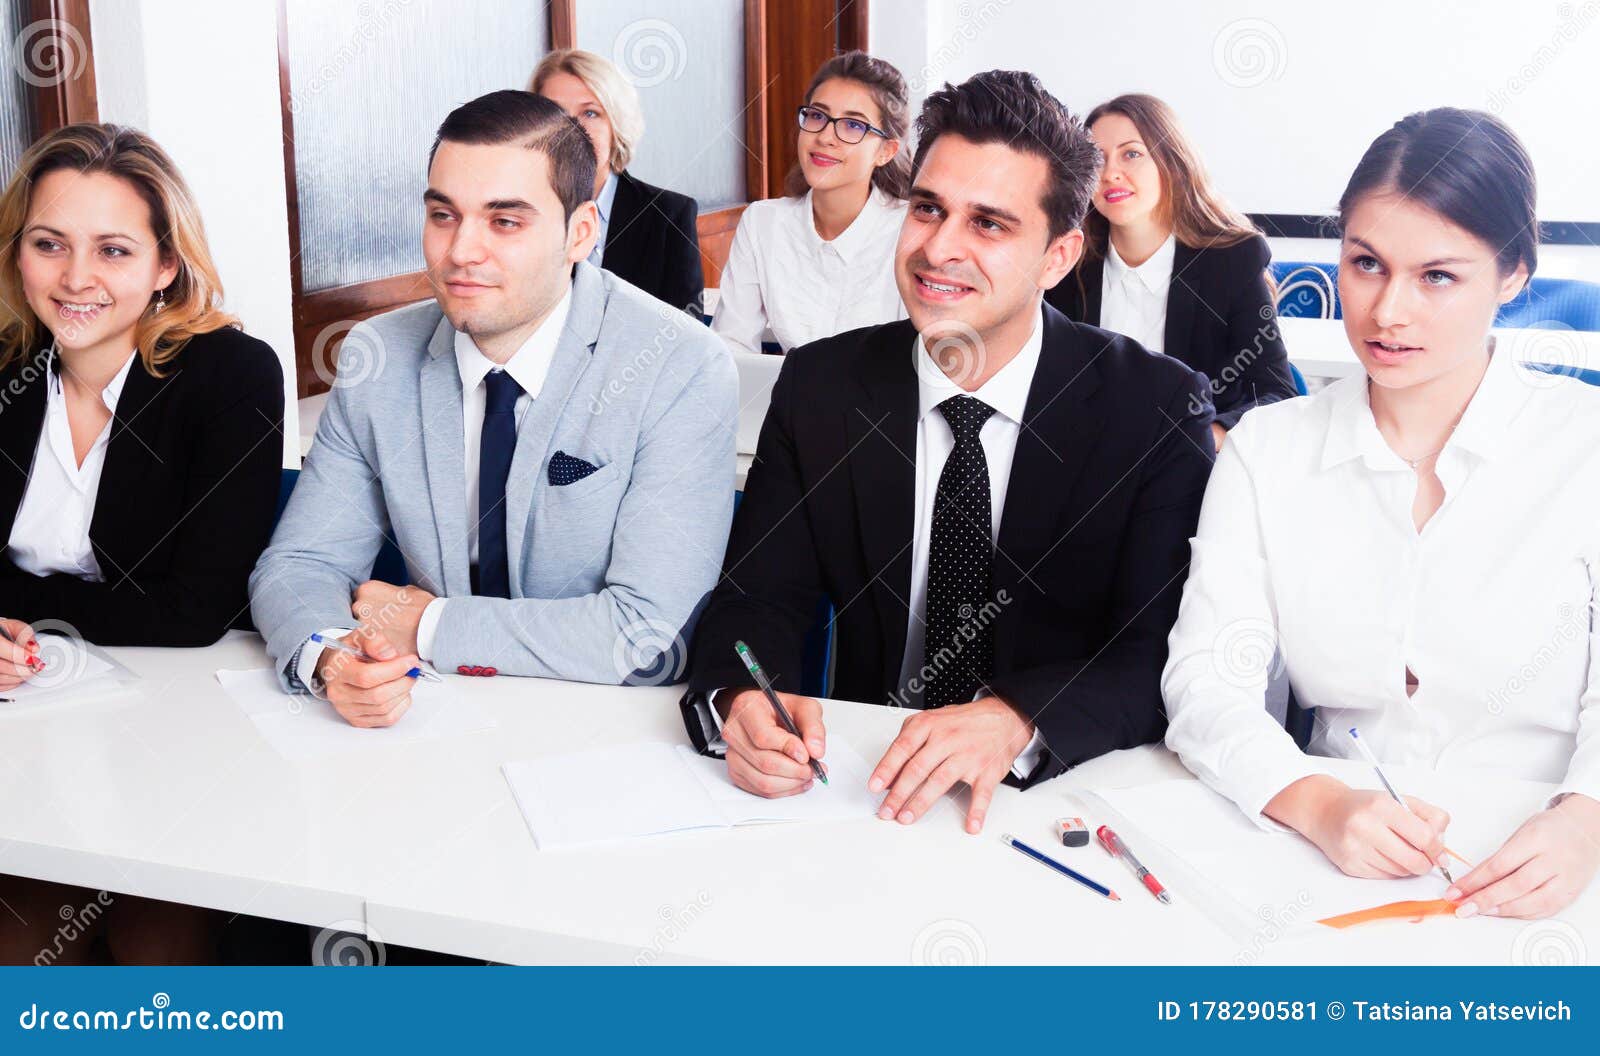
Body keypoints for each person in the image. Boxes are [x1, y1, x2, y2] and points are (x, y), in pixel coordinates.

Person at [684, 71, 1215, 835]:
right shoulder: (822, 386)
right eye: (927, 209)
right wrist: (742, 699)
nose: (938, 249)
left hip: (1062, 799)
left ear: (1059, 257)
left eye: (989, 225)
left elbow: (1155, 655)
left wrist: (1014, 720)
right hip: (863, 791)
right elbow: (757, 602)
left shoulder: (1155, 408)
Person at [1162, 108, 1600, 919]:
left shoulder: (1584, 449)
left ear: (1513, 276)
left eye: (1438, 276)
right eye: (1366, 264)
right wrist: (1317, 800)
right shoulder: (1269, 450)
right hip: (1341, 850)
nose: (1387, 311)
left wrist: (1586, 824)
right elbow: (1206, 680)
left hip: (1551, 856)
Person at [251, 90, 736, 725]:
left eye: (504, 221)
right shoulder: (379, 357)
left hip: (604, 734)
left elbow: (647, 636)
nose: (461, 252)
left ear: (580, 233)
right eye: (444, 215)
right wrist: (330, 654)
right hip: (428, 721)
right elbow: (300, 563)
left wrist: (429, 626)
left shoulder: (679, 365)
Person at [0, 122, 284, 963]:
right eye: (49, 244)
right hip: (24, 711)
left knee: (152, 953)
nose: (76, 278)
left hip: (177, 718)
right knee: (24, 943)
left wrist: (23, 612)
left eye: (114, 251)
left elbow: (196, 610)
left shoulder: (230, 376)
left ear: (166, 267)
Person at [1045, 94, 1296, 449]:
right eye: (1097, 158)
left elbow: (1277, 393)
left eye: (1131, 154)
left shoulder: (1230, 261)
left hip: (1192, 468)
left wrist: (1208, 438)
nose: (1110, 173)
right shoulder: (1069, 262)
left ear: (1171, 163)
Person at [711, 51, 909, 354]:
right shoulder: (762, 222)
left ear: (886, 151)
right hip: (786, 397)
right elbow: (731, 346)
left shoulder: (910, 231)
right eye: (817, 116)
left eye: (853, 125)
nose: (826, 136)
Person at [530, 48, 704, 315]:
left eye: (590, 113)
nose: (573, 129)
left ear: (616, 125)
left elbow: (684, 333)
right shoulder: (517, 211)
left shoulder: (669, 215)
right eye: (557, 114)